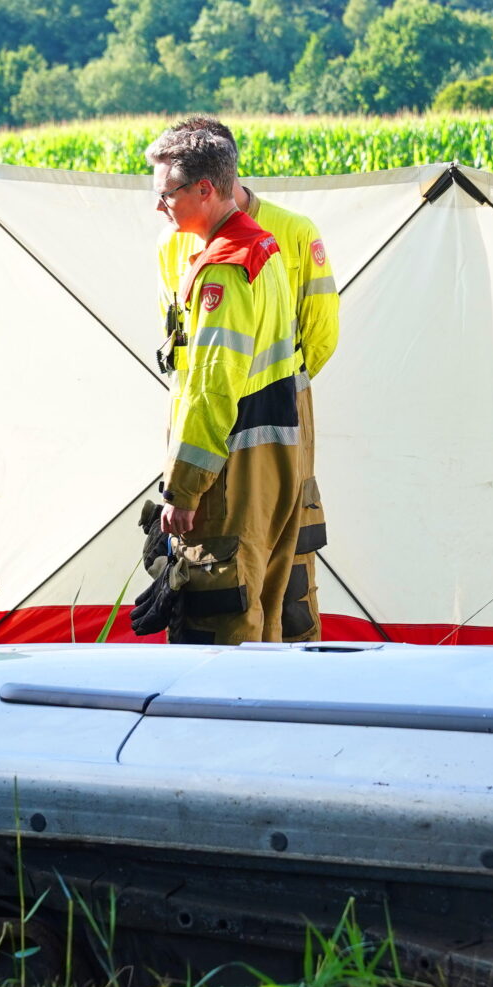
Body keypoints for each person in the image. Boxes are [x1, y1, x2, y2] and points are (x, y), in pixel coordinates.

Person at [151, 117, 338, 640]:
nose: (158, 207)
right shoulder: (265, 248)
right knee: (272, 612)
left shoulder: (226, 266)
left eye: (167, 194)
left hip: (232, 463)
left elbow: (212, 385)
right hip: (278, 451)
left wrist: (184, 487)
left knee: (221, 620)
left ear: (205, 189)